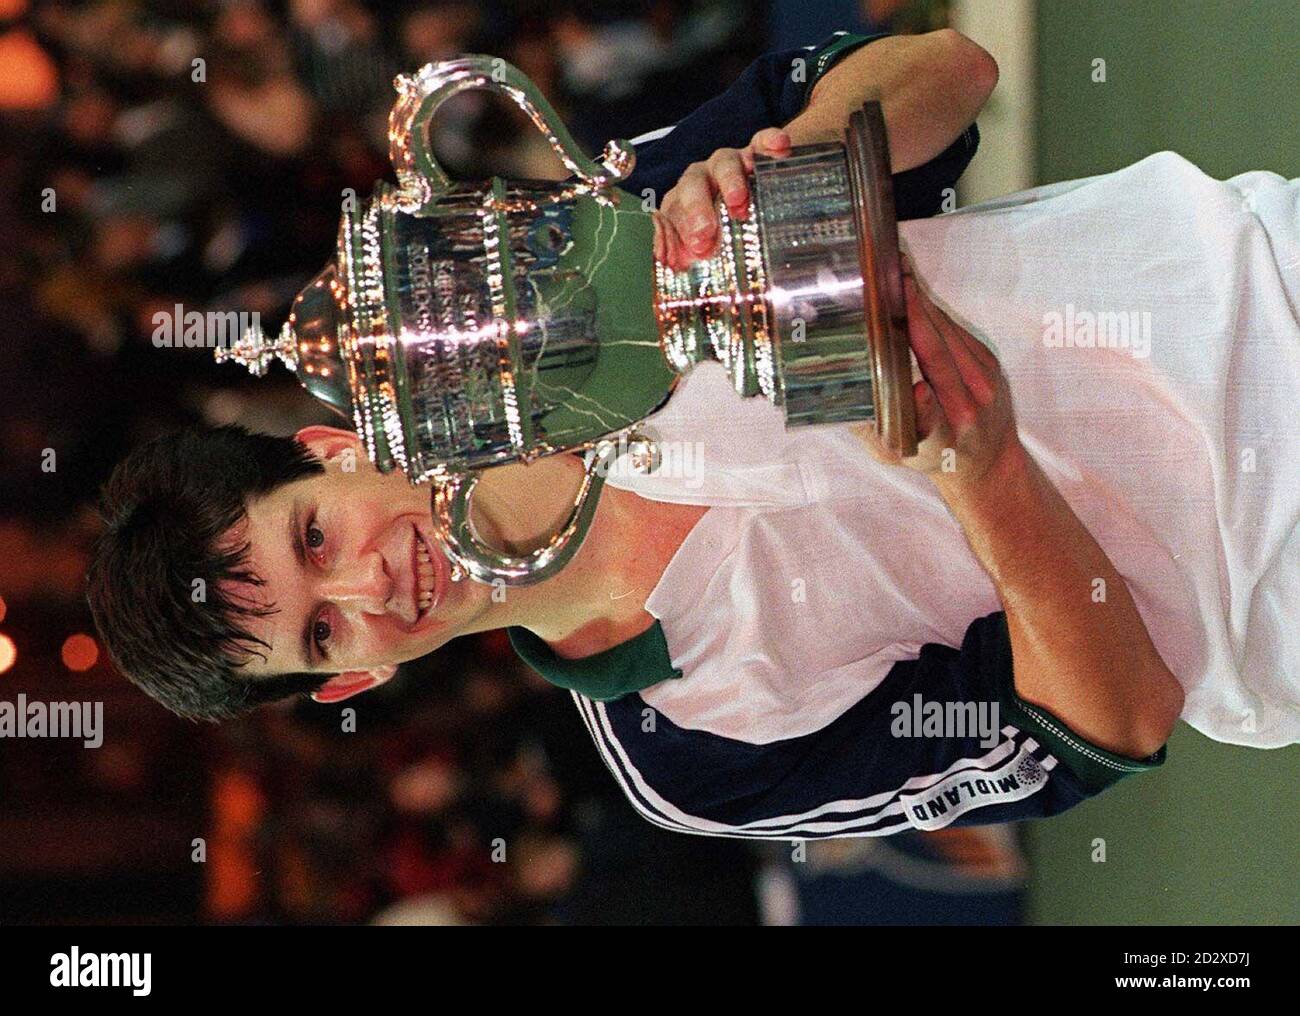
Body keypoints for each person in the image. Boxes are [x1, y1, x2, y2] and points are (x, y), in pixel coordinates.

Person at [88, 29, 1299, 839]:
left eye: (313, 537)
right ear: (350, 678)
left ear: (327, 450)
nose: (370, 580)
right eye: (320, 627)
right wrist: (988, 482)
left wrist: (808, 154)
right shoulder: (691, 757)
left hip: (1251, 276)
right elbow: (1116, 717)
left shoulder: (596, 246)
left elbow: (951, 71)